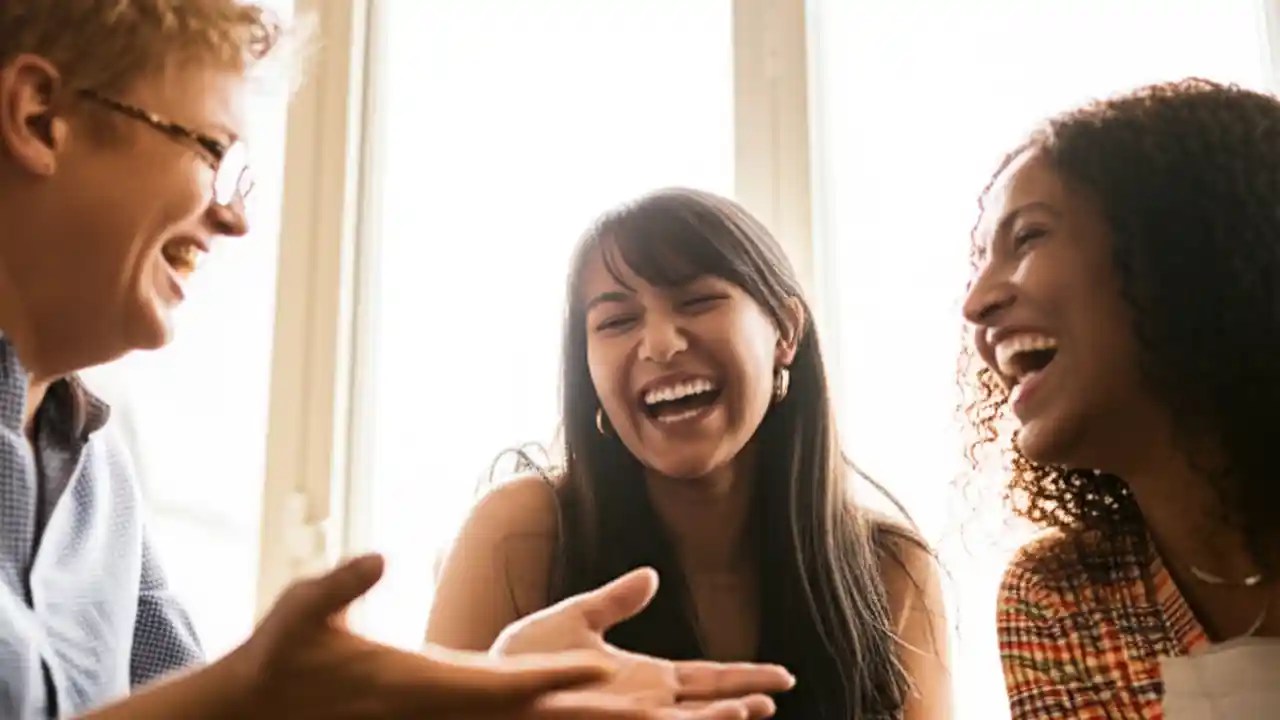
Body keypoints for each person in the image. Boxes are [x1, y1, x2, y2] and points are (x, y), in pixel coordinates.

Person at [0, 2, 794, 718]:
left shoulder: (98, 476)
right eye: (209, 147)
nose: (235, 216)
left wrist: (486, 687)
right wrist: (255, 694)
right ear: (39, 119)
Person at [428, 188, 951, 719]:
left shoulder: (891, 566)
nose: (660, 344)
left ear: (786, 331)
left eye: (697, 301)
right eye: (616, 322)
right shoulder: (520, 532)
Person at [962, 78, 1280, 718]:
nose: (976, 304)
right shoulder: (1058, 600)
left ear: (1182, 251)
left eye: (1026, 238)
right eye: (978, 263)